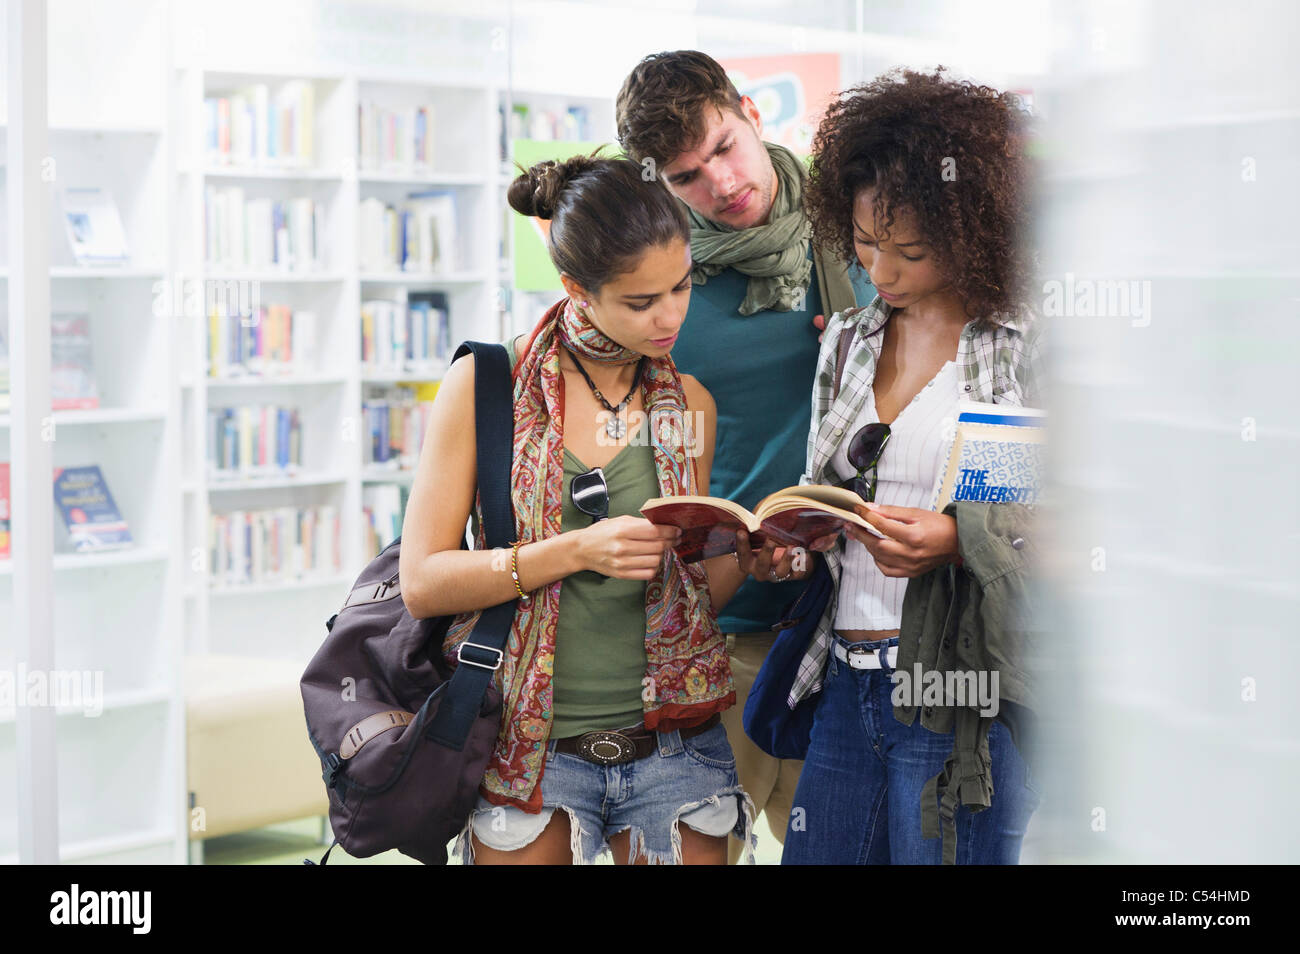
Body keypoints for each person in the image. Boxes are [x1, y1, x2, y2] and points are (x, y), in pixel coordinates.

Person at [399, 152, 797, 865]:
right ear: (575, 288)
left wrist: (747, 556)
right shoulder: (487, 385)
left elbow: (692, 592)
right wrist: (576, 550)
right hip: (528, 747)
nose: (670, 316)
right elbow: (424, 580)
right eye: (641, 302)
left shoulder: (689, 405)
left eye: (681, 287)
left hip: (678, 747)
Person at [780, 66, 1046, 864]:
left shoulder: (1017, 345)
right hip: (845, 676)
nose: (881, 271)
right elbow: (827, 496)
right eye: (864, 243)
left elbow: (1055, 524)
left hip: (956, 685)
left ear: (973, 233)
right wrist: (795, 539)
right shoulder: (848, 341)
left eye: (910, 251)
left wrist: (957, 540)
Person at [615, 50, 874, 863]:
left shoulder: (858, 233)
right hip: (710, 630)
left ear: (751, 115)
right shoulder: (660, 288)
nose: (721, 184)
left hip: (850, 620)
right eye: (688, 177)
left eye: (724, 147)